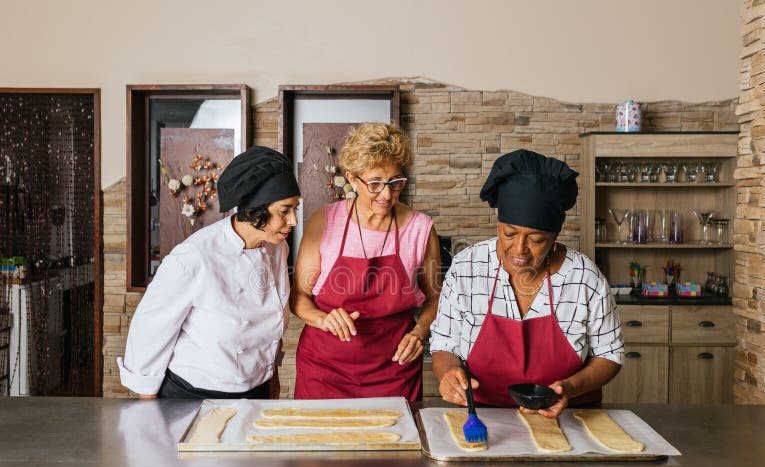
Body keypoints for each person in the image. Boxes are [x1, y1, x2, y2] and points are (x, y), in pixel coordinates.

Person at [430, 149, 623, 418]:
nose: (519, 250)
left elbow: (610, 354)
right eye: (509, 234)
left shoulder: (584, 277)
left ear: (554, 236)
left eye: (536, 239)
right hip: (482, 416)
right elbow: (444, 345)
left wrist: (569, 387)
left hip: (570, 418)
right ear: (498, 226)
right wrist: (448, 373)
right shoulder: (466, 268)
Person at [118, 146, 301, 399]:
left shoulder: (277, 249)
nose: (293, 221)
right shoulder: (195, 256)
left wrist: (271, 380)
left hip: (255, 391)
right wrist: (149, 414)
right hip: (193, 395)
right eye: (284, 211)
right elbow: (150, 332)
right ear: (256, 208)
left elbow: (268, 326)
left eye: (295, 209)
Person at [291, 122, 441, 401]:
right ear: (352, 179)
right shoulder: (324, 222)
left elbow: (435, 299)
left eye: (395, 182)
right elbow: (299, 297)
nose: (386, 194)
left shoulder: (421, 229)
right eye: (375, 183)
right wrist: (323, 319)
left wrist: (419, 333)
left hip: (394, 370)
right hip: (325, 371)